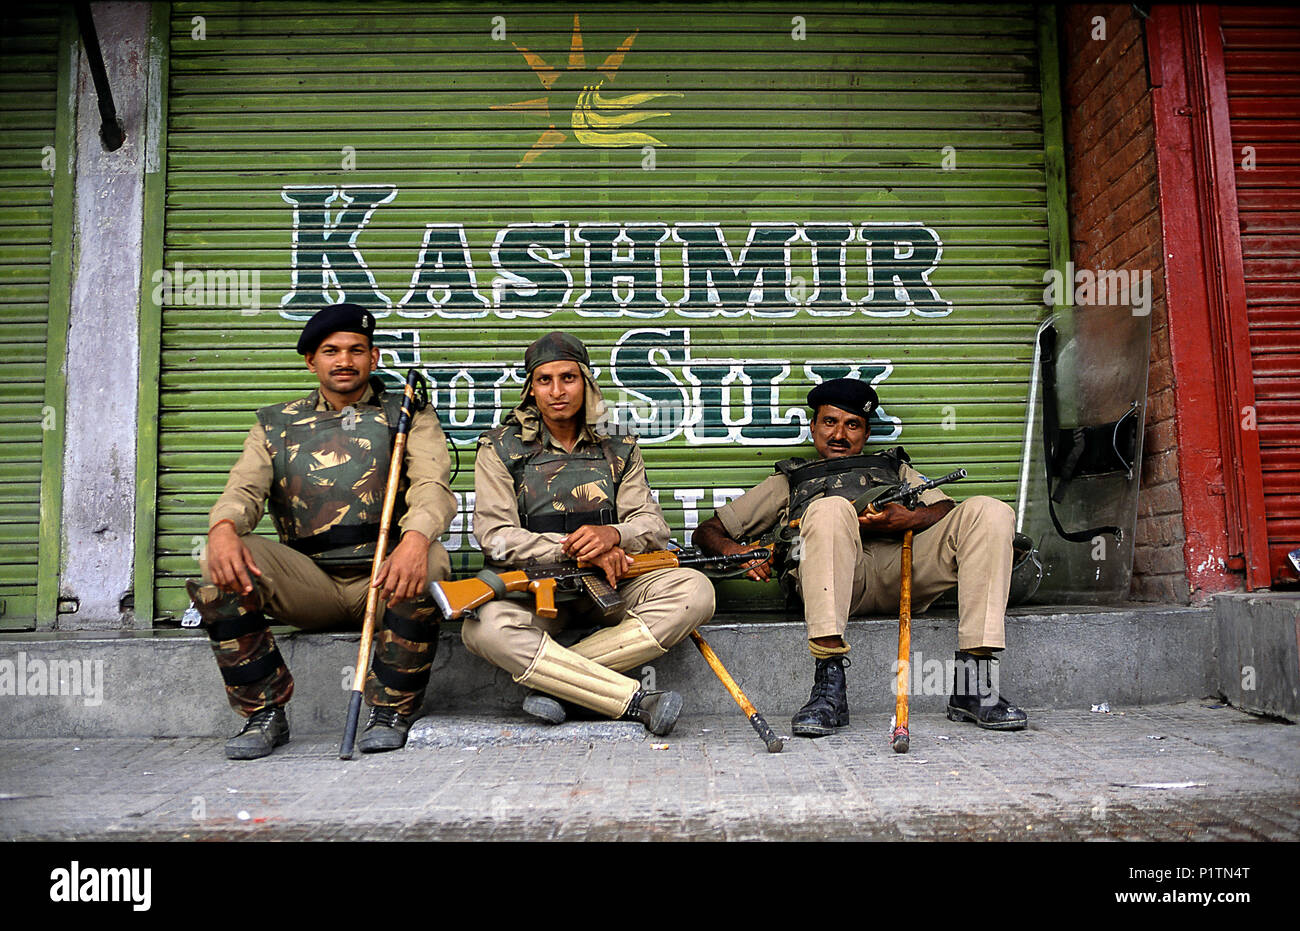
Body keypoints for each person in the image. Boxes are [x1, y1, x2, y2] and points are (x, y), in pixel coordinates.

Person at [188, 302, 456, 759]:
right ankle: (264, 712)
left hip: (384, 576)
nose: (344, 360)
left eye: (356, 350)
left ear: (374, 359)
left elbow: (432, 485)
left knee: (430, 558)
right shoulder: (276, 423)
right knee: (223, 559)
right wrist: (223, 527)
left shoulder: (408, 414)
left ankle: (391, 709)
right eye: (330, 351)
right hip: (310, 582)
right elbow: (244, 489)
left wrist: (414, 540)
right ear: (311, 361)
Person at [692, 377, 1027, 737]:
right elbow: (708, 531)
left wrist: (909, 518)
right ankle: (829, 688)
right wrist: (739, 553)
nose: (840, 434)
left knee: (990, 511)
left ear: (865, 434)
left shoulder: (892, 469)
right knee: (829, 510)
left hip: (905, 573)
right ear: (813, 427)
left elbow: (945, 507)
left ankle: (973, 685)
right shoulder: (791, 481)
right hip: (837, 586)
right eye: (830, 422)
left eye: (852, 425)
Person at [462, 331, 715, 736]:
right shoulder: (500, 448)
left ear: (587, 382)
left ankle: (559, 683)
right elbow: (495, 535)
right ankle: (633, 700)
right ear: (531, 389)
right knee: (483, 628)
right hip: (536, 591)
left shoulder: (619, 446)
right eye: (545, 380)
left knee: (695, 591)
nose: (557, 391)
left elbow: (653, 526)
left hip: (612, 583)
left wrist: (612, 536)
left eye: (568, 378)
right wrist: (576, 549)